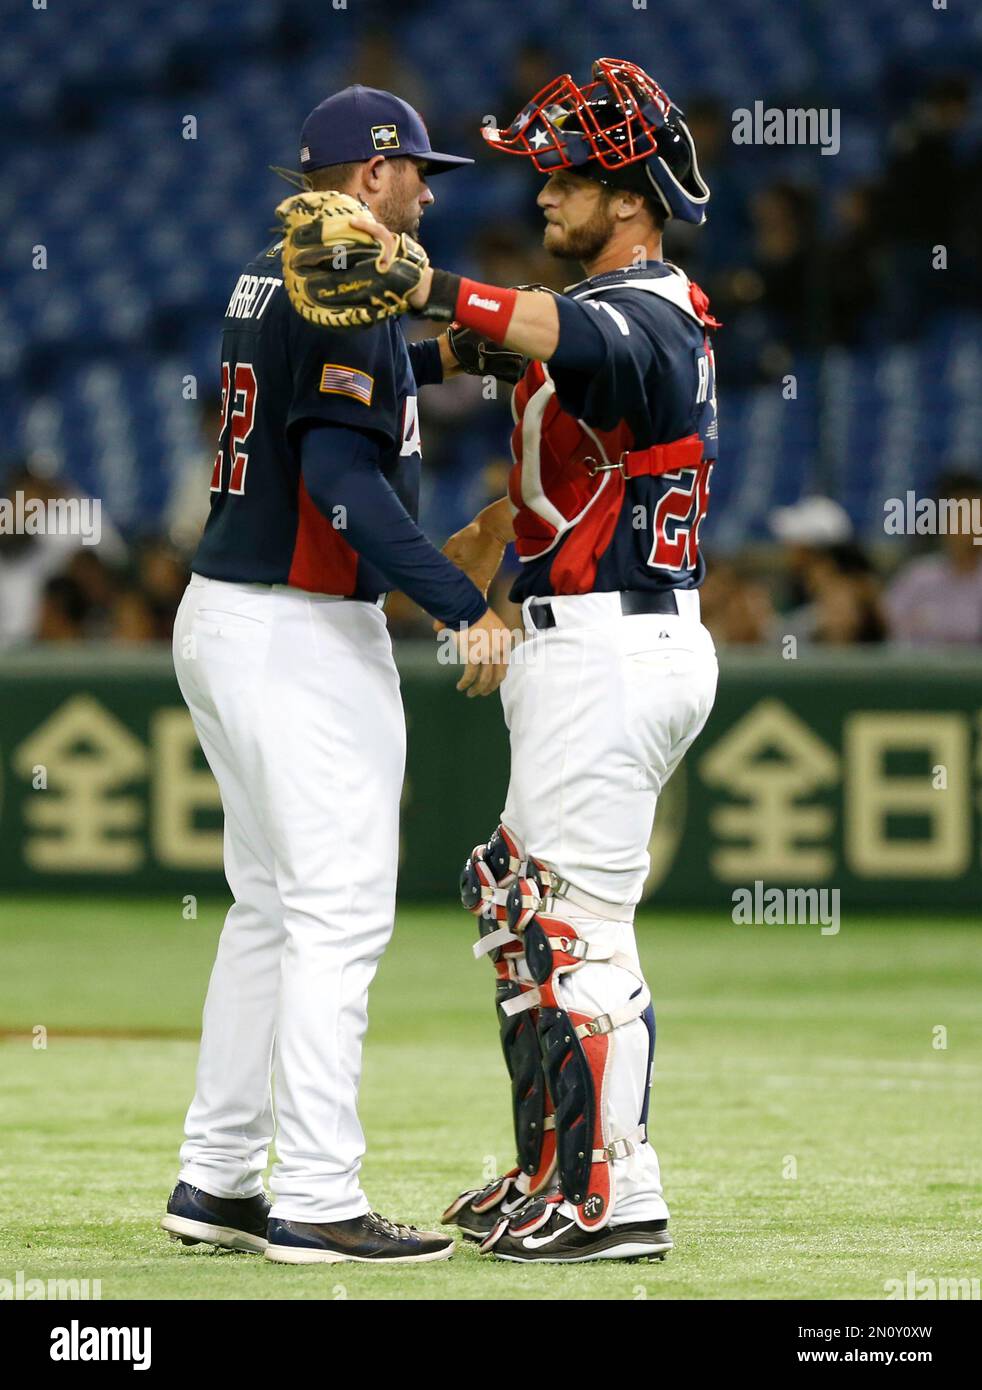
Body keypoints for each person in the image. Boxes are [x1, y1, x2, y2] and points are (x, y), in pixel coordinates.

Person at [349, 57, 721, 1261]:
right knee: (520, 909)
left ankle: (617, 1192)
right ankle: (552, 1170)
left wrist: (423, 278)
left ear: (627, 196)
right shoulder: (617, 320)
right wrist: (504, 535)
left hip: (620, 644)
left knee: (571, 927)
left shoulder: (646, 308)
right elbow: (538, 403)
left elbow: (546, 330)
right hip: (590, 636)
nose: (542, 194)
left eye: (562, 176)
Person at [161, 85, 512, 1267]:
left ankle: (217, 1178)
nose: (427, 189)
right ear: (370, 175)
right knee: (336, 911)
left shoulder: (282, 272)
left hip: (226, 614)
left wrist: (435, 350)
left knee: (270, 909)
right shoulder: (352, 282)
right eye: (418, 170)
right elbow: (343, 486)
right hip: (299, 631)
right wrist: (466, 605)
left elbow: (335, 374)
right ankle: (315, 1194)